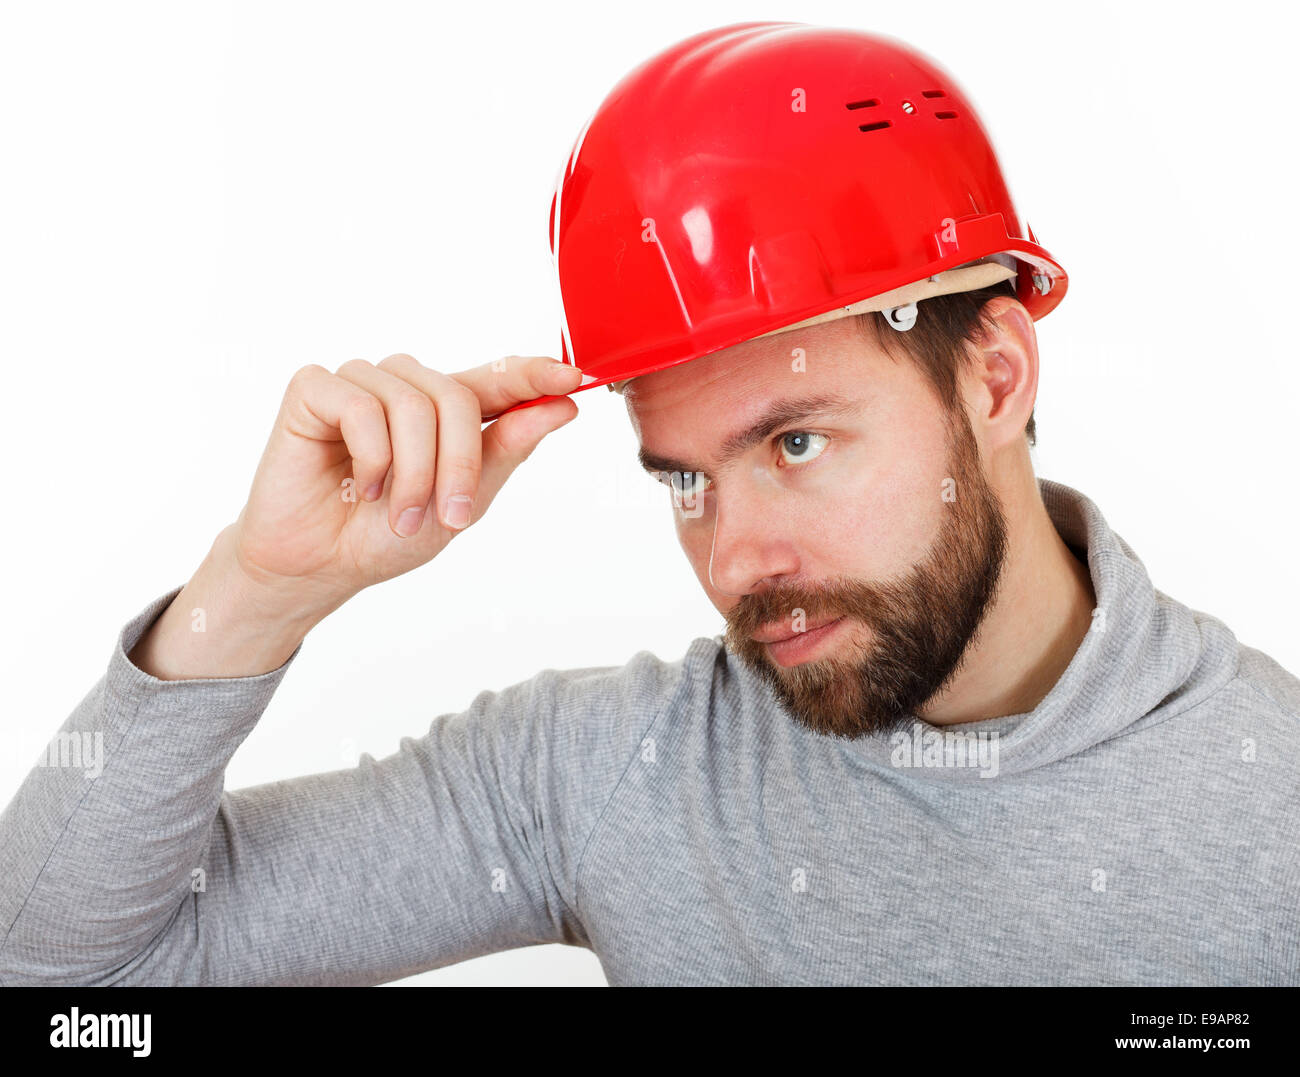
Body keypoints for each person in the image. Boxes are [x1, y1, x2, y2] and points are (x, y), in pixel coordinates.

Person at [1, 22, 1296, 987]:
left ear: (996, 375)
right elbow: (70, 978)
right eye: (684, 477)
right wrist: (263, 589)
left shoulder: (1272, 799)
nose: (732, 560)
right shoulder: (614, 775)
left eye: (795, 439)